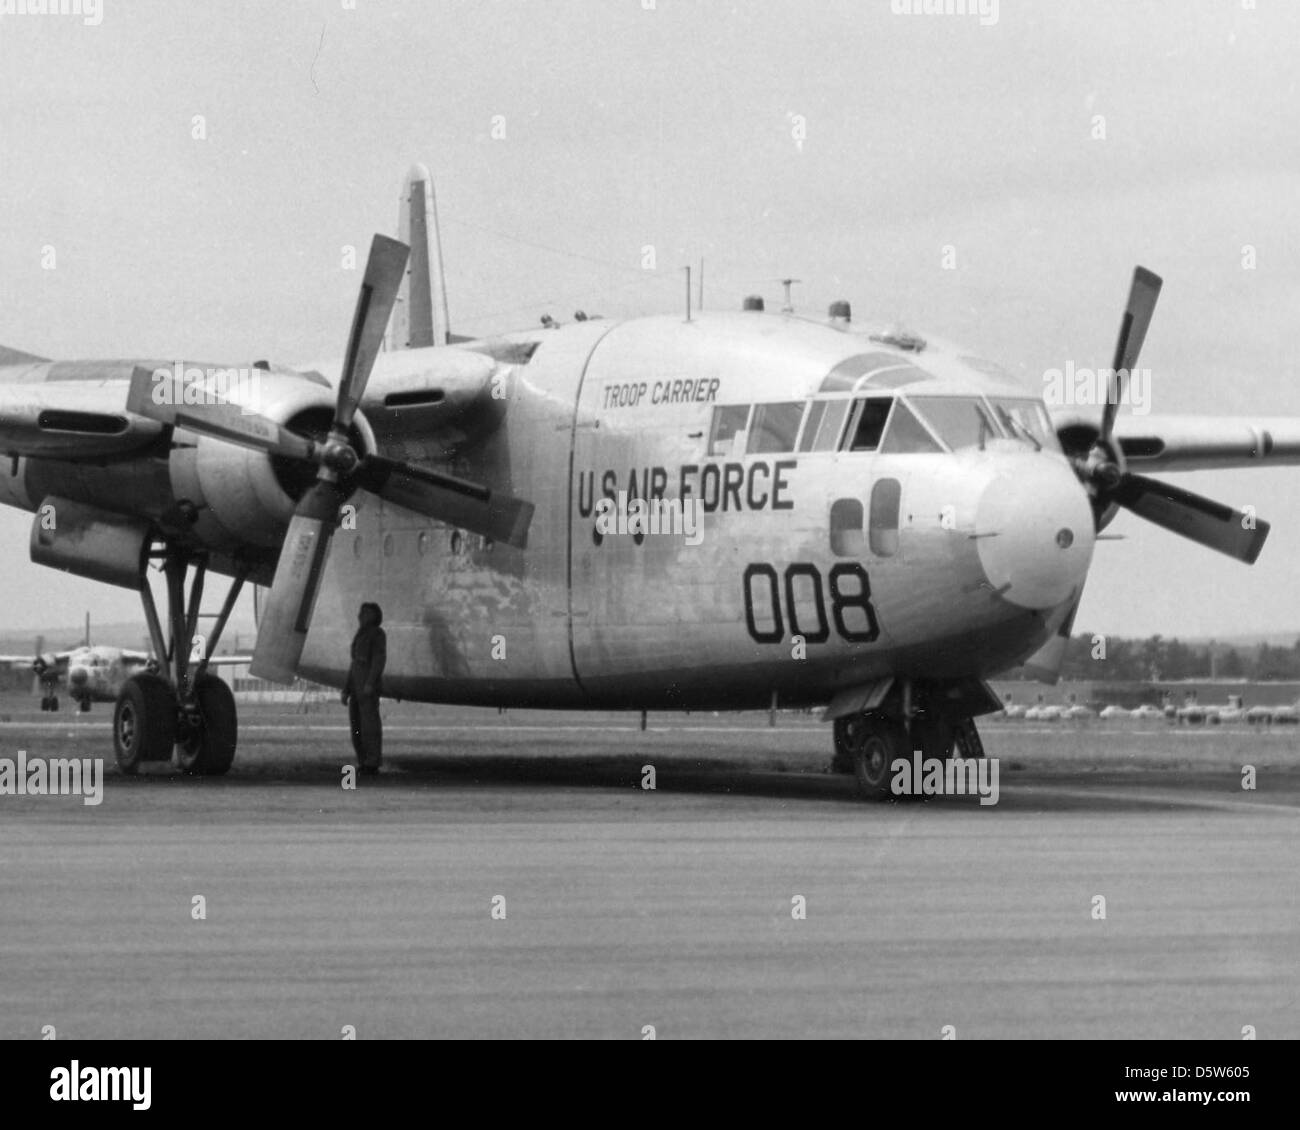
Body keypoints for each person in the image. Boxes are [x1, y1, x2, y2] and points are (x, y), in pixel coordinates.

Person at [342, 602, 386, 774]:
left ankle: (372, 761)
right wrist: (346, 689)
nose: (361, 616)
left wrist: (370, 683)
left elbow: (378, 660)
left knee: (369, 725)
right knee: (357, 726)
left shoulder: (377, 634)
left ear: (374, 616)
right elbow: (354, 665)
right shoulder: (360, 634)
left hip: (367, 687)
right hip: (356, 686)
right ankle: (363, 760)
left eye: (366, 613)